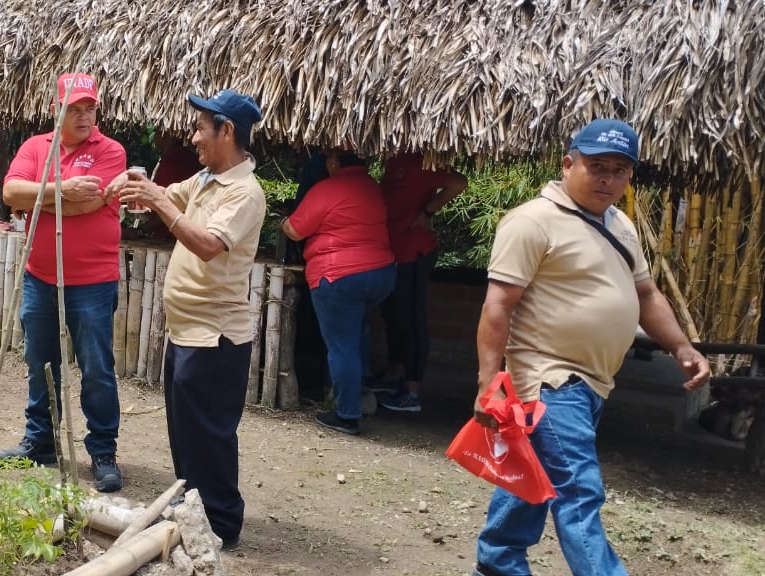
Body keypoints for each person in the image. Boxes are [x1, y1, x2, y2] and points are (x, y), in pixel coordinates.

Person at [470, 119, 709, 576]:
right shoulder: (532, 222)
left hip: (594, 381)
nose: (608, 179)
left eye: (620, 171)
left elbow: (645, 294)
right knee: (578, 488)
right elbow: (498, 305)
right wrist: (489, 385)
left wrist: (681, 346)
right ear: (568, 163)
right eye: (597, 166)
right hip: (549, 380)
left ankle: (497, 563)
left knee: (533, 474)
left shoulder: (618, 223)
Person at [109, 88, 265, 549]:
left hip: (216, 338)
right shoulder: (204, 181)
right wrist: (133, 187)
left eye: (201, 128)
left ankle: (220, 525)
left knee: (210, 437)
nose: (193, 137)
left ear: (227, 130)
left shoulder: (244, 193)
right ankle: (195, 511)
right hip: (187, 333)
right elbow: (160, 197)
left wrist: (158, 201)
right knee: (186, 434)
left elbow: (207, 244)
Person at [0, 73, 126, 493]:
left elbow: (93, 201)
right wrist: (62, 189)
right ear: (58, 110)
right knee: (39, 361)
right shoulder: (37, 146)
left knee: (97, 368)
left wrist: (46, 197)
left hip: (93, 279)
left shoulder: (111, 150)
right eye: (76, 109)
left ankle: (103, 451)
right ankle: (42, 442)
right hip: (41, 276)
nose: (85, 116)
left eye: (90, 108)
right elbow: (11, 193)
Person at [280, 149, 396, 436]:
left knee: (342, 346)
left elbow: (296, 229)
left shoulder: (327, 188)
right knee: (357, 335)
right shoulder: (371, 186)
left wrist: (282, 221)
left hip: (339, 275)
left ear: (334, 162)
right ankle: (362, 392)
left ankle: (347, 415)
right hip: (381, 274)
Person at [376, 152, 468, 413]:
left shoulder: (421, 162)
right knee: (392, 314)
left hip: (414, 251)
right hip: (393, 249)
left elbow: (459, 183)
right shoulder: (394, 160)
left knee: (411, 319)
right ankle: (393, 375)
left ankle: (412, 392)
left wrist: (427, 212)